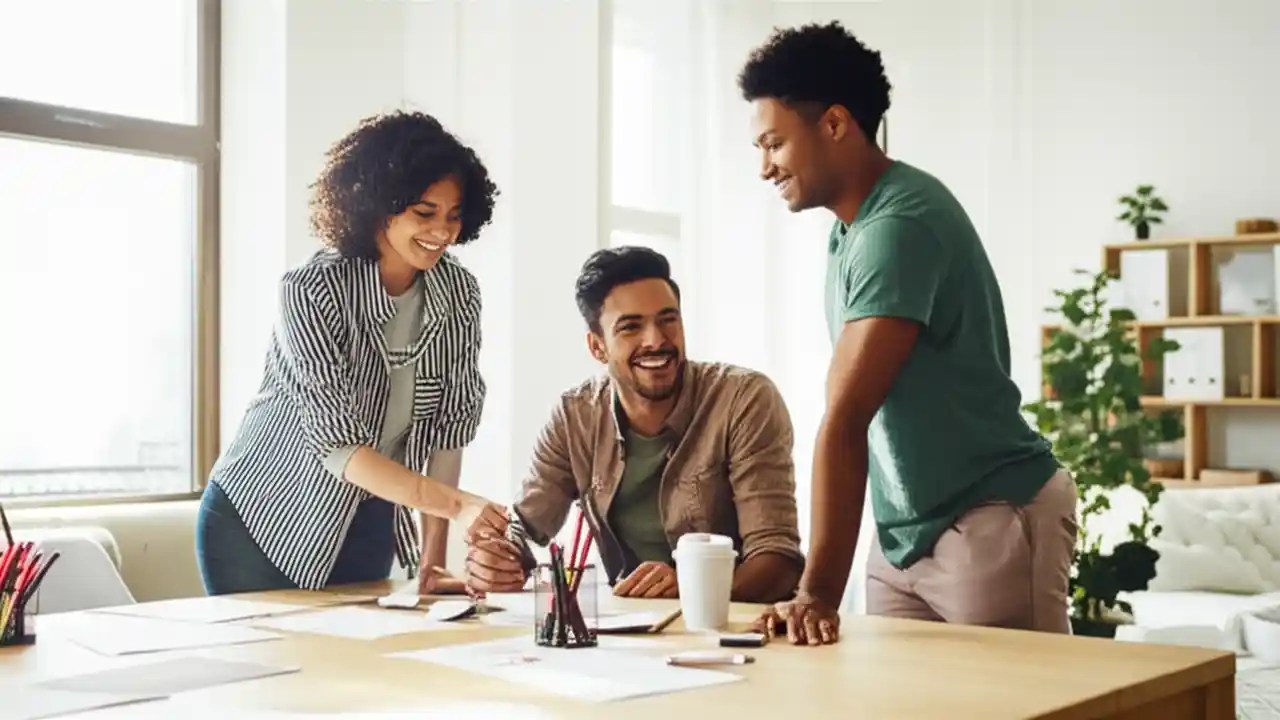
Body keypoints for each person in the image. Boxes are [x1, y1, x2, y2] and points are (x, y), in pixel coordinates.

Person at [738, 23, 1076, 644]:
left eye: (774, 144)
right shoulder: (851, 231)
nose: (764, 167)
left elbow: (845, 417)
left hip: (988, 520)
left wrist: (814, 592)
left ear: (835, 124)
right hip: (901, 537)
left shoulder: (899, 227)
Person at [196, 111, 507, 595]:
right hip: (262, 520)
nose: (443, 232)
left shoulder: (459, 293)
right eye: (424, 213)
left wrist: (432, 562)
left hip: (366, 521)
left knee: (360, 666)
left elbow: (449, 428)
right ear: (378, 205)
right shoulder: (311, 290)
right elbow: (340, 446)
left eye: (453, 215)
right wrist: (460, 505)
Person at [463, 247, 804, 602]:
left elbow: (777, 559)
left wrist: (692, 590)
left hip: (734, 632)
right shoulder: (574, 416)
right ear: (598, 347)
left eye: (668, 320)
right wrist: (496, 559)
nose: (656, 340)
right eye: (631, 327)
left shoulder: (743, 399)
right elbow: (525, 525)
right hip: (632, 632)